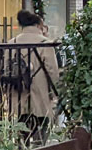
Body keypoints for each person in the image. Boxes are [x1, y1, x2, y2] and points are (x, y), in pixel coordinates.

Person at [7, 10, 63, 141]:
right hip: (40, 94)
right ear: (38, 25)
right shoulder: (45, 43)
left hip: (19, 94)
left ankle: (22, 148)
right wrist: (55, 93)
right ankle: (39, 148)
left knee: (21, 130)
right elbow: (52, 72)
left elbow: (6, 69)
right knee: (42, 129)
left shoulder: (12, 43)